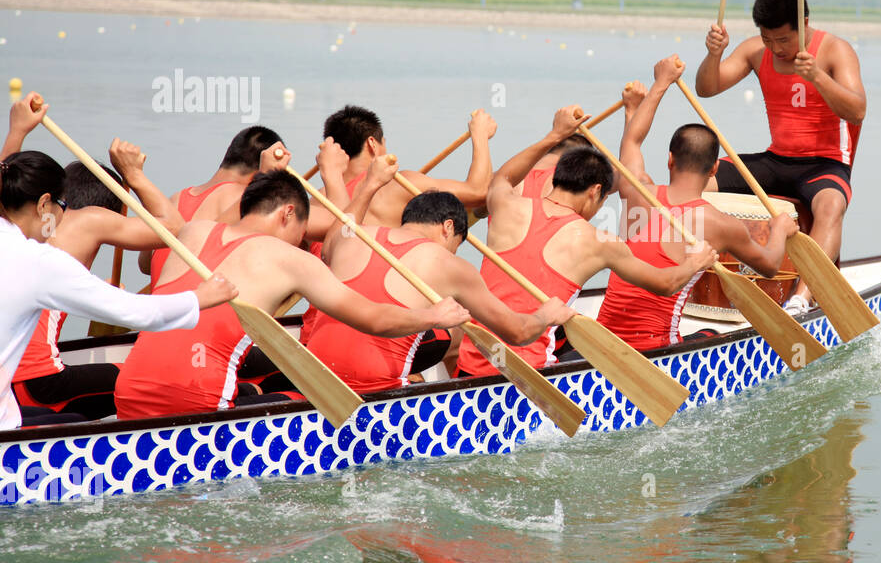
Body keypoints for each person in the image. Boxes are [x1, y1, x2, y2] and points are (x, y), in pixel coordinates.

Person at [113, 168, 469, 420]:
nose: (301, 240)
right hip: (196, 404)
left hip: (127, 392)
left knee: (255, 392)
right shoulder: (293, 260)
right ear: (287, 214)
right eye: (301, 228)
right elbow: (374, 319)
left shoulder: (193, 233)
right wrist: (434, 316)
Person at [1, 94, 238, 430]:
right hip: (32, 387)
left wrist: (16, 131)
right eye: (60, 207)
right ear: (43, 203)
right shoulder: (48, 256)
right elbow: (172, 236)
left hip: (13, 389)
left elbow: (4, 179)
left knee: (70, 419)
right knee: (132, 381)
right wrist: (202, 297)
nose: (63, 217)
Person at [455, 107, 718, 377]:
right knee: (707, 334)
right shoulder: (599, 242)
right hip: (530, 379)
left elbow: (503, 177)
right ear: (595, 192)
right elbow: (665, 284)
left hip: (467, 371)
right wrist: (695, 262)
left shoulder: (506, 205)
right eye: (603, 200)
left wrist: (553, 135)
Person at [595, 56, 799, 350]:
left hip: (602, 342)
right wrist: (779, 227)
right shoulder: (720, 224)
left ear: (670, 159)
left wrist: (659, 85)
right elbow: (769, 266)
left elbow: (632, 143)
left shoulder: (637, 190)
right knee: (709, 335)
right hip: (655, 352)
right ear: (715, 168)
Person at [695, 0, 867, 311]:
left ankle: (801, 299)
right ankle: (695, 278)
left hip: (824, 165)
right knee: (697, 182)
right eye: (768, 39)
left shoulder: (835, 50)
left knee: (831, 206)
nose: (775, 48)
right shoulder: (755, 50)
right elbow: (706, 88)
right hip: (775, 160)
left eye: (784, 40)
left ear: (804, 23)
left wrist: (817, 76)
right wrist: (713, 55)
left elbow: (857, 110)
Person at [307, 182, 574, 391]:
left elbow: (331, 243)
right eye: (457, 245)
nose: (453, 253)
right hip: (372, 395)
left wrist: (370, 185)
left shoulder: (353, 238)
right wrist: (546, 316)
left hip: (313, 380)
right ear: (448, 227)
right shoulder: (447, 264)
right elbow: (517, 333)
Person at [13, 140, 184, 420]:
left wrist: (19, 129)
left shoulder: (15, 222)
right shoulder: (87, 219)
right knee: (147, 380)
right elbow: (174, 229)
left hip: (10, 380)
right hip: (38, 383)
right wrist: (133, 175)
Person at [138, 125, 287, 282]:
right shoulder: (247, 200)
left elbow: (146, 265)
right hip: (203, 301)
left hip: (163, 298)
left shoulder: (173, 200)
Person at [308, 105, 497, 227]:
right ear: (373, 144)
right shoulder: (400, 185)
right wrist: (480, 135)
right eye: (384, 143)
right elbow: (479, 192)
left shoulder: (314, 201)